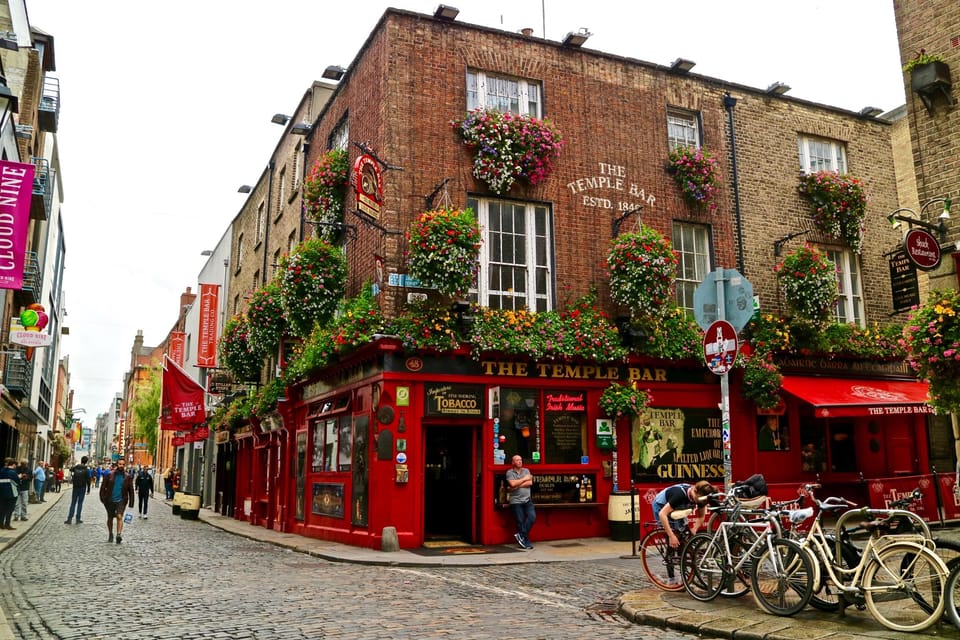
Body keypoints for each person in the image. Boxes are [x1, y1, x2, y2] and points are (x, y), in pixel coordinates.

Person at [652, 480, 717, 549]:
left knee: (682, 534)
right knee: (672, 534)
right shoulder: (679, 495)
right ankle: (670, 553)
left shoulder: (701, 497)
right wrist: (671, 535)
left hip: (678, 506)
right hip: (661, 505)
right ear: (694, 490)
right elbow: (662, 514)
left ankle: (681, 555)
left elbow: (701, 517)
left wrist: (694, 529)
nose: (700, 502)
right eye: (698, 499)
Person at [99, 460, 134, 544]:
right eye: (120, 464)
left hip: (121, 500)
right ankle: (110, 533)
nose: (121, 466)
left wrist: (131, 503)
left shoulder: (127, 476)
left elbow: (131, 490)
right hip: (110, 500)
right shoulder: (109, 475)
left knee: (119, 516)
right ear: (117, 465)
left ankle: (118, 535)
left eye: (123, 464)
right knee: (110, 517)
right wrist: (103, 498)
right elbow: (103, 487)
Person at [505, 454, 535, 550]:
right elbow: (512, 483)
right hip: (516, 501)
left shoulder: (526, 471)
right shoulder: (509, 472)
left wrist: (516, 486)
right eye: (517, 460)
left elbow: (530, 483)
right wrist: (524, 479)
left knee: (532, 517)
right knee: (520, 521)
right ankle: (526, 542)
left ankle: (521, 535)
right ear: (513, 462)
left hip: (527, 500)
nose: (519, 462)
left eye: (521, 460)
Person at [65, 456, 91, 524]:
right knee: (80, 503)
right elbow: (88, 480)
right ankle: (78, 519)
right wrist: (88, 489)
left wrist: (69, 481)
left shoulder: (75, 467)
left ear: (81, 460)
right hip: (82, 487)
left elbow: (70, 471)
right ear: (86, 462)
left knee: (73, 503)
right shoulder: (86, 470)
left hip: (75, 487)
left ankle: (69, 518)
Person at [0, 458, 19, 530]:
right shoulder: (13, 472)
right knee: (10, 509)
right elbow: (17, 482)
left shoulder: (1, 470)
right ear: (13, 465)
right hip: (12, 492)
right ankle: (7, 524)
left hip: (2, 492)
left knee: (2, 508)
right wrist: (19, 477)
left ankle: (1, 524)